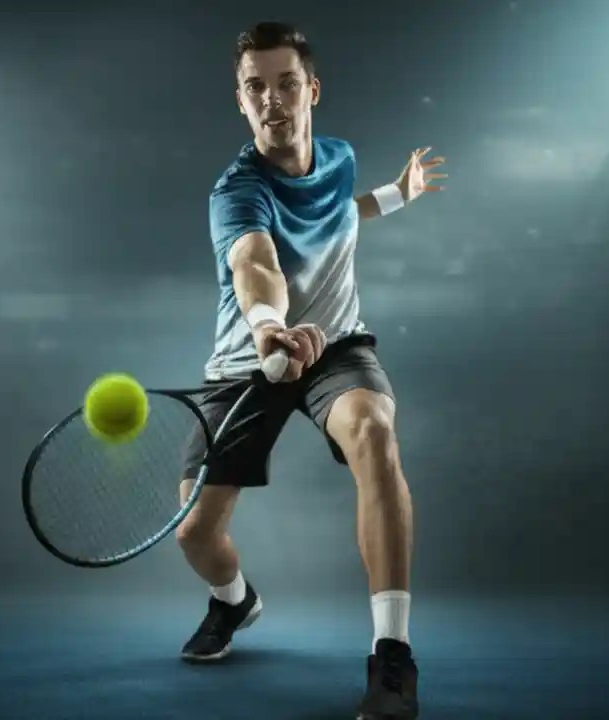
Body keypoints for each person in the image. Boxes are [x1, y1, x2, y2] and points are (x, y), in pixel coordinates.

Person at [176, 20, 446, 720]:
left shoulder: (340, 158)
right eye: (255, 88)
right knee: (195, 533)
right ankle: (235, 603)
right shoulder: (233, 193)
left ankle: (393, 657)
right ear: (241, 101)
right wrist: (270, 328)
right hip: (249, 360)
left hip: (335, 345)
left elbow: (336, 218)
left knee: (375, 432)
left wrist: (398, 194)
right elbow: (254, 265)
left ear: (311, 90)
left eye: (286, 84)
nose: (273, 100)